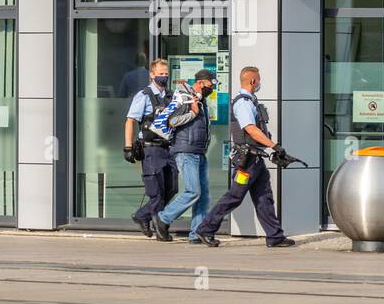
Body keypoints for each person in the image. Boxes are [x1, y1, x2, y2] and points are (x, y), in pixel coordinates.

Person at [194, 66, 294, 248]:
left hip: (255, 160)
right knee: (234, 196)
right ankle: (205, 229)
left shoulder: (251, 101)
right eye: (259, 80)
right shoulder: (243, 103)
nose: (260, 83)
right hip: (246, 162)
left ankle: (275, 236)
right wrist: (275, 146)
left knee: (264, 198)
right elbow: (250, 129)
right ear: (253, 81)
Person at [151, 69, 215, 243]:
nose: (212, 88)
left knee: (203, 195)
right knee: (193, 191)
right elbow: (171, 121)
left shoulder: (200, 99)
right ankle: (163, 218)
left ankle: (197, 233)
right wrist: (193, 113)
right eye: (211, 84)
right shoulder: (185, 97)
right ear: (201, 82)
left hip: (199, 151)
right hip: (186, 150)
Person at [124, 58, 177, 238]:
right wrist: (128, 146)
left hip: (168, 148)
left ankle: (143, 216)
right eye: (160, 74)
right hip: (151, 149)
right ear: (152, 75)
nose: (164, 76)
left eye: (166, 74)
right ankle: (157, 226)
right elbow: (130, 120)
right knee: (156, 193)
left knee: (172, 189)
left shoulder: (170, 96)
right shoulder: (144, 95)